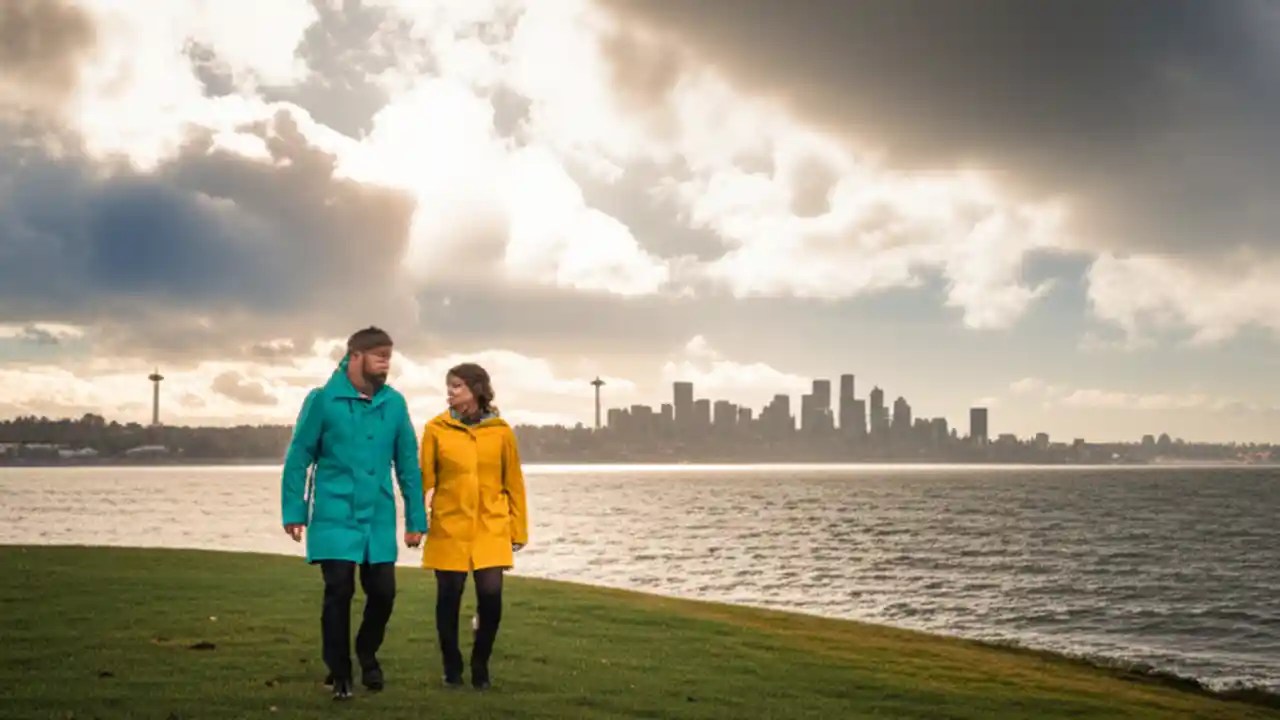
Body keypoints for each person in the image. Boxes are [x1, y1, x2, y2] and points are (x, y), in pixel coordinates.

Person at [280, 326, 427, 700]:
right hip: (334, 513)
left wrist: (415, 520)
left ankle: (366, 651)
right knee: (339, 589)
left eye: (389, 357)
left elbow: (408, 464)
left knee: (383, 594)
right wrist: (293, 510)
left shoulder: (394, 404)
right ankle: (340, 672)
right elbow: (299, 458)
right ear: (355, 355)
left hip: (377, 516)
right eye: (379, 356)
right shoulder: (323, 400)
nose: (386, 364)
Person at [420, 362, 528, 690]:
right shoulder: (435, 429)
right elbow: (424, 479)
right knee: (448, 597)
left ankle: (480, 665)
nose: (450, 392)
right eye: (449, 386)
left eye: (457, 386)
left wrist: (518, 529)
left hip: (491, 526)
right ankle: (451, 666)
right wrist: (415, 522)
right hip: (449, 526)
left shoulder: (501, 431)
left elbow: (514, 482)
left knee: (491, 597)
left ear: (476, 389)